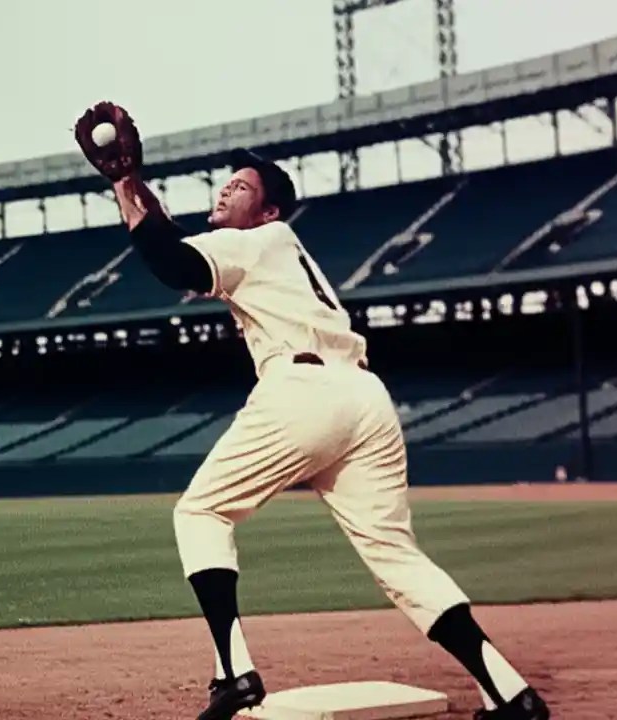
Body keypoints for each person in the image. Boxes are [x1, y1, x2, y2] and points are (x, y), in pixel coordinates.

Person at [73, 102, 549, 720]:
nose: (227, 189)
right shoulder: (270, 247)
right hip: (364, 398)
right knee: (396, 555)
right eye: (227, 182)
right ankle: (510, 692)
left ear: (268, 211)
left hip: (305, 391)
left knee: (200, 512)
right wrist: (127, 184)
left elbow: (172, 263)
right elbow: (173, 241)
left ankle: (234, 674)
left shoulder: (258, 241)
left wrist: (124, 183)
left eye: (242, 187)